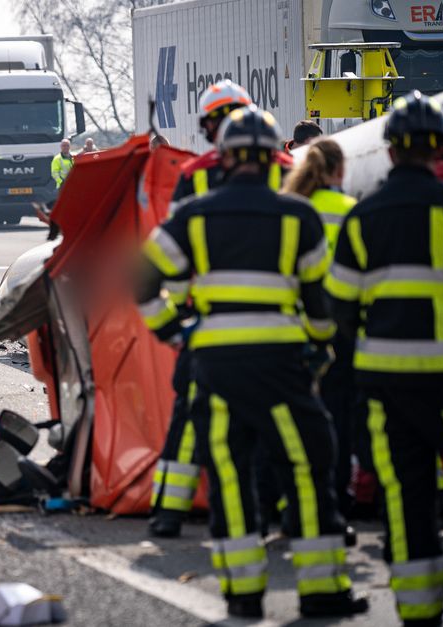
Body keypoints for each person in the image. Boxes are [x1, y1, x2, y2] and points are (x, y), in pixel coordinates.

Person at [138, 106, 367, 619]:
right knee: (308, 468)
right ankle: (322, 592)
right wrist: (320, 349)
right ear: (273, 159)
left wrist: (178, 333)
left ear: (223, 160)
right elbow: (319, 306)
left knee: (230, 477)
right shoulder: (299, 216)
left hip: (214, 366)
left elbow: (143, 281)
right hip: (282, 365)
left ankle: (243, 596)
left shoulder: (192, 216)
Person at [325, 91, 443, 626]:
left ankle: (420, 617)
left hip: (383, 387)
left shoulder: (362, 218)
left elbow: (340, 305)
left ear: (389, 151)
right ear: (442, 145)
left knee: (407, 508)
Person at [148, 80, 257, 538]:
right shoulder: (285, 167)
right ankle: (285, 513)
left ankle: (170, 513)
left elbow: (172, 251)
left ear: (210, 125)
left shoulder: (194, 175)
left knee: (193, 417)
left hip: (208, 320)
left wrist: (177, 322)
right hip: (279, 325)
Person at [282, 139, 359, 515]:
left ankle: (292, 497)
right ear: (339, 170)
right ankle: (337, 496)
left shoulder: (295, 208)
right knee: (338, 416)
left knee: (294, 417)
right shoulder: (350, 210)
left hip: (294, 326)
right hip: (340, 328)